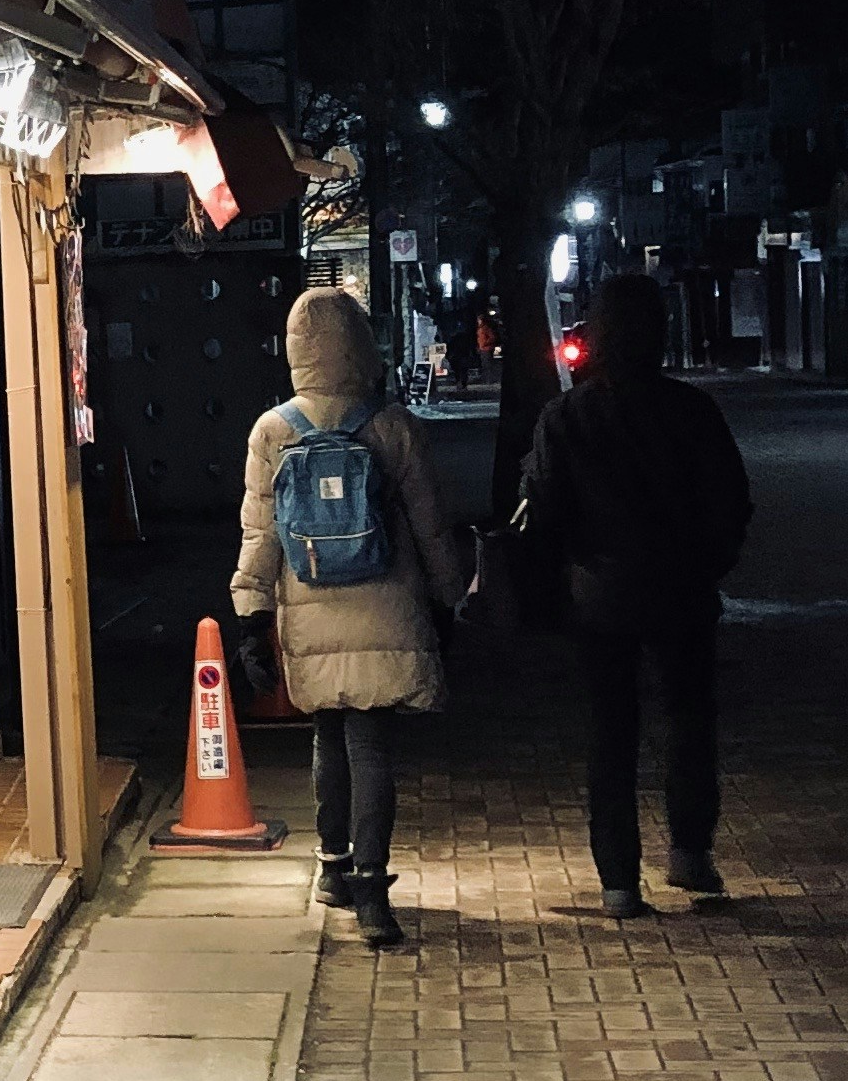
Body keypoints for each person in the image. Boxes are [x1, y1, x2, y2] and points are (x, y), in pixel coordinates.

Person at [234, 283, 468, 947]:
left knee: (326, 738)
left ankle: (332, 868)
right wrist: (449, 598)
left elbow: (260, 534)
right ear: (360, 344)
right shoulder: (393, 425)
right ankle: (373, 890)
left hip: (308, 610)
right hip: (384, 603)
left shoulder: (273, 430)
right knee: (370, 746)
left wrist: (251, 614)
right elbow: (431, 529)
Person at [515, 270, 753, 918]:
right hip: (682, 588)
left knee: (611, 732)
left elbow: (544, 509)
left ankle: (620, 880)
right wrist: (707, 563)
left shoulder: (568, 417)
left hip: (601, 595)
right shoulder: (691, 411)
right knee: (689, 718)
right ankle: (690, 852)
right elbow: (731, 500)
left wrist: (564, 575)